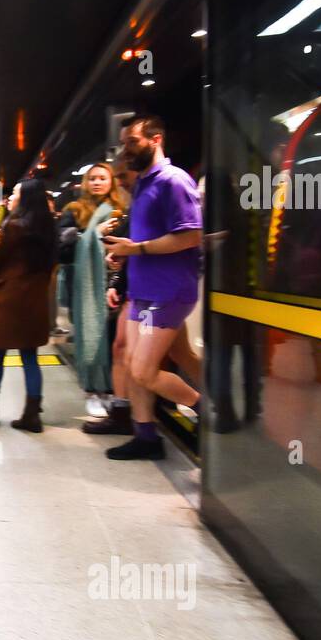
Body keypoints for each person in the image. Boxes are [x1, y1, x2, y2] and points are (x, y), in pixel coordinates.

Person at [102, 115, 203, 460]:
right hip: (144, 291)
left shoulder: (174, 181)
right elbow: (146, 238)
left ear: (155, 139)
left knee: (143, 370)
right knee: (138, 365)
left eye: (132, 142)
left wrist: (137, 249)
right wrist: (125, 255)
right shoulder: (144, 182)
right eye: (123, 144)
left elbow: (190, 235)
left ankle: (208, 411)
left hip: (168, 292)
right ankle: (146, 436)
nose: (125, 151)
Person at [0, 178, 59, 432]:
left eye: (15, 194)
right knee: (30, 356)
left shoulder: (14, 226)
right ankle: (32, 415)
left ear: (27, 199)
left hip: (8, 299)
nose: (9, 198)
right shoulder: (48, 229)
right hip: (34, 300)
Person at [67, 162, 126, 417]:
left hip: (113, 281)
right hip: (86, 286)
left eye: (102, 178)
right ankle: (92, 391)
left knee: (113, 339)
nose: (97, 183)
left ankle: (110, 390)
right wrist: (92, 235)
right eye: (92, 179)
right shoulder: (74, 210)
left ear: (111, 182)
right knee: (90, 336)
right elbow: (63, 247)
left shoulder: (119, 211)